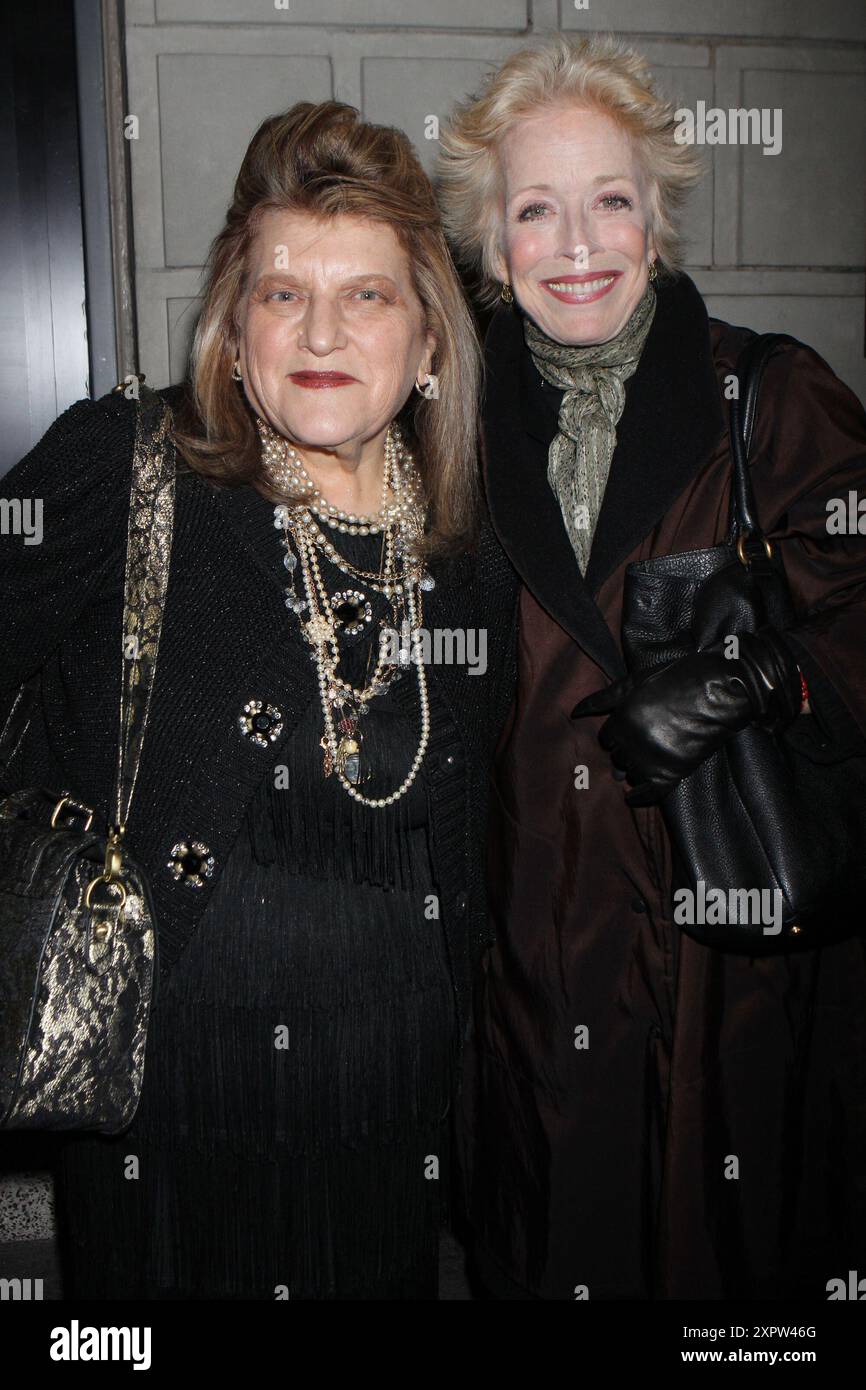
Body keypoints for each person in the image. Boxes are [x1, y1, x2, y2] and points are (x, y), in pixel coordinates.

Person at [0, 100, 518, 1299]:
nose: (320, 328)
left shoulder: (478, 551)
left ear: (431, 343)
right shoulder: (130, 472)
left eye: (368, 295)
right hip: (168, 1107)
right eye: (282, 292)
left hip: (391, 1110)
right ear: (234, 333)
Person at [437, 33, 866, 1299]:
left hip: (720, 984)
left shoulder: (768, 400)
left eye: (608, 201)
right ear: (492, 243)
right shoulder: (452, 427)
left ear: (655, 219)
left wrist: (758, 676)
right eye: (535, 209)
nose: (575, 244)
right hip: (523, 976)